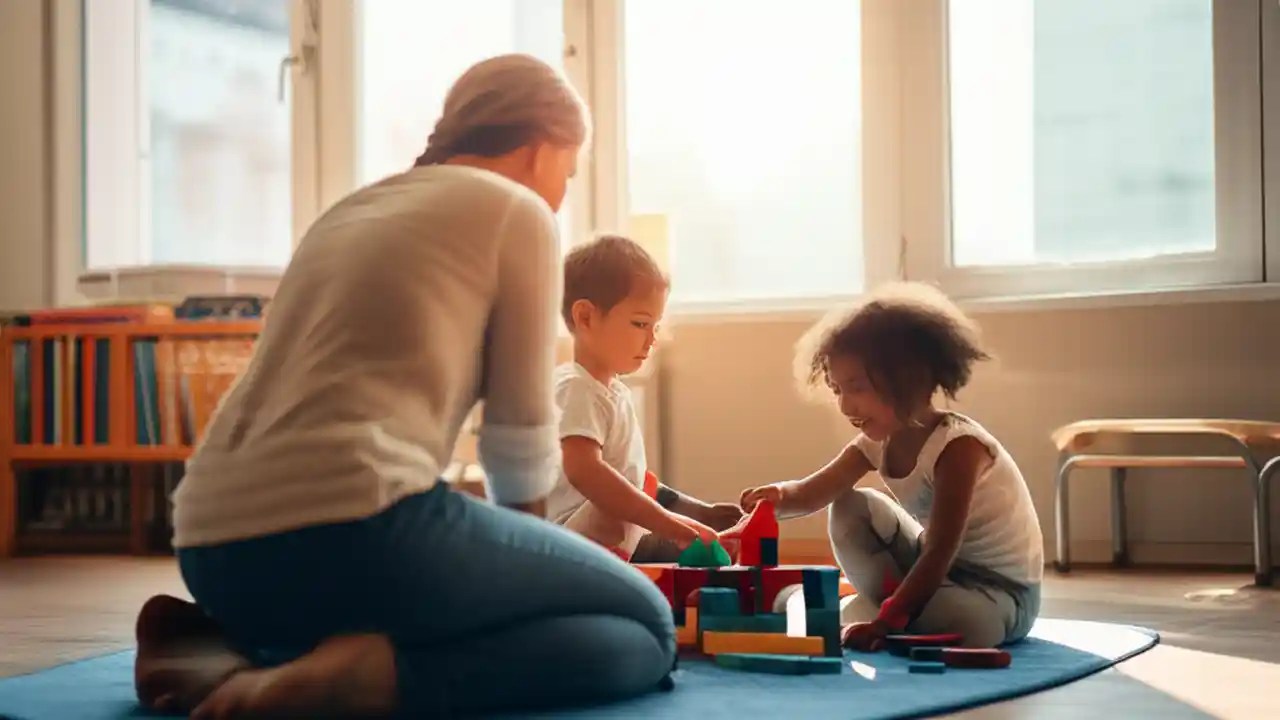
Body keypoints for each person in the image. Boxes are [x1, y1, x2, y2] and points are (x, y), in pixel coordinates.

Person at [132, 54, 676, 720]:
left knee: (412, 605)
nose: (562, 191)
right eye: (569, 169)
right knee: (646, 628)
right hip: (354, 533)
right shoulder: (519, 211)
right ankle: (361, 684)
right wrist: (516, 583)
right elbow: (517, 439)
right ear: (541, 150)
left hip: (211, 551)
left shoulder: (350, 211)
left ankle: (221, 644)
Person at [736, 282, 1043, 651]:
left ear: (908, 379)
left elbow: (941, 550)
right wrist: (774, 499)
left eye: (858, 387)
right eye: (837, 390)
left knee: (972, 625)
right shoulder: (876, 442)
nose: (846, 405)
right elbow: (814, 492)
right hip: (932, 578)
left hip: (997, 593)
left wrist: (885, 622)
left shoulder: (959, 448)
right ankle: (894, 610)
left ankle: (888, 612)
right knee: (850, 505)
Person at [551, 235, 743, 561]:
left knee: (642, 495)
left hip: (610, 543)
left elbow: (640, 486)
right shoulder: (575, 387)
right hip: (565, 546)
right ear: (585, 317)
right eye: (640, 323)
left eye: (655, 326)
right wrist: (672, 526)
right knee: (616, 500)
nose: (651, 339)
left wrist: (700, 514)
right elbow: (584, 471)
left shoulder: (613, 393)